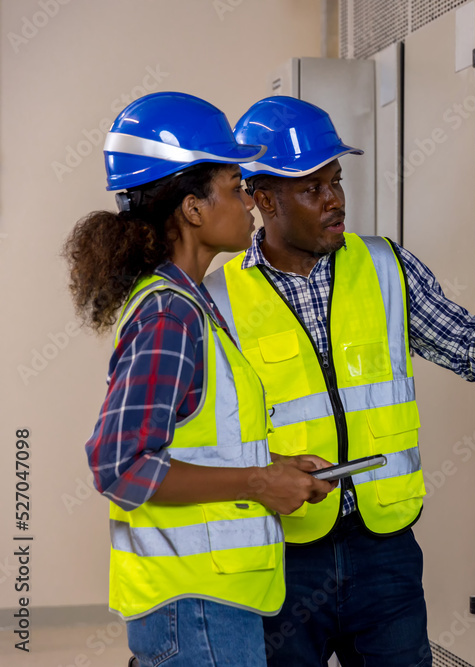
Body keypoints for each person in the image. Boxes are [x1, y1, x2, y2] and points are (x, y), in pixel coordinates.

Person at [203, 96, 475, 666]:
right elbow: (206, 444)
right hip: (281, 556)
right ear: (263, 198)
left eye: (337, 181)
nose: (334, 200)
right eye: (312, 188)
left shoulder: (385, 267)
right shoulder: (218, 302)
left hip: (385, 554)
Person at [65, 92, 335, 667]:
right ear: (192, 208)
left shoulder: (192, 303)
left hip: (210, 604)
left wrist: (274, 469)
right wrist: (260, 485)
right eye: (236, 189)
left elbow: (204, 439)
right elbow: (120, 464)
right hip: (195, 612)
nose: (249, 204)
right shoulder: (170, 314)